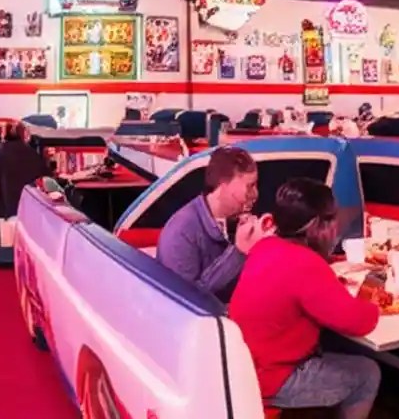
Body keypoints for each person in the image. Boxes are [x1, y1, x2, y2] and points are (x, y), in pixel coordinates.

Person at [230, 178, 381, 419]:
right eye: (332, 219)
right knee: (367, 374)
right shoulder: (305, 264)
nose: (336, 227)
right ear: (316, 225)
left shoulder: (265, 247)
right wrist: (375, 294)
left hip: (243, 369)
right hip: (271, 378)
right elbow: (359, 322)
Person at [156, 146, 265, 302]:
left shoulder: (233, 222)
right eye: (250, 186)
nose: (255, 194)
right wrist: (238, 252)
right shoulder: (181, 232)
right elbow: (186, 300)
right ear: (223, 185)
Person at [0, 125, 49, 219]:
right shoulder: (33, 155)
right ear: (24, 134)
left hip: (8, 209)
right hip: (29, 209)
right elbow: (46, 178)